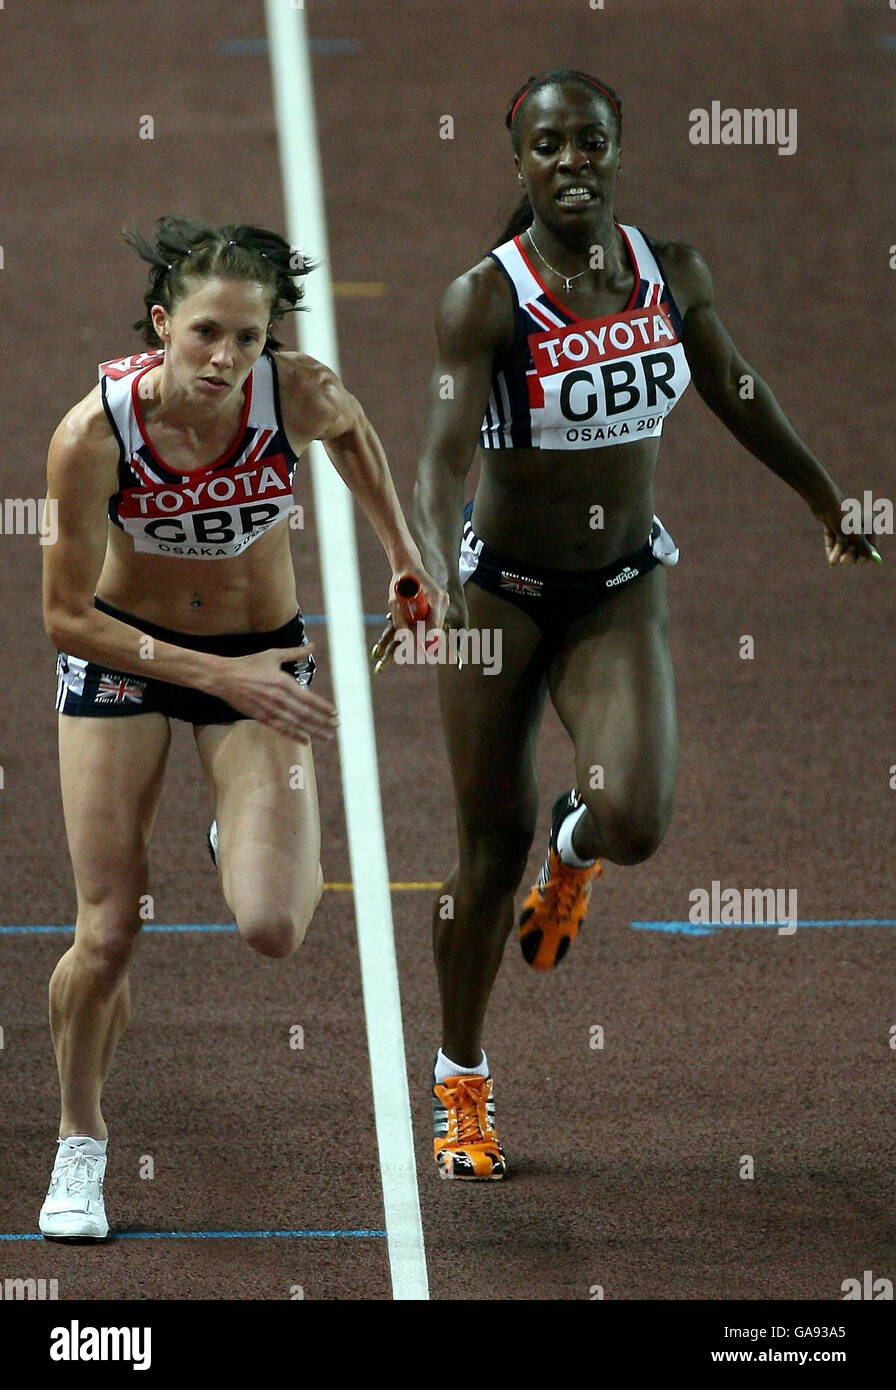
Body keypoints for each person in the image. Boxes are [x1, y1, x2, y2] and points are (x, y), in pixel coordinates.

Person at [392, 68, 880, 1180]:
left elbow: (735, 387)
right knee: (481, 850)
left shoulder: (671, 273)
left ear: (618, 150)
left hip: (615, 587)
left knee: (639, 818)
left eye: (592, 142)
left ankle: (579, 847)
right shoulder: (487, 297)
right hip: (499, 599)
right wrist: (419, 566)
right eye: (549, 145)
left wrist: (822, 499)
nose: (572, 161)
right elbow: (437, 456)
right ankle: (460, 1079)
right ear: (518, 162)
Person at [39, 215, 445, 1238]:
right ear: (160, 322)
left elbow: (352, 433)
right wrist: (227, 678)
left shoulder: (293, 393)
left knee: (273, 923)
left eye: (248, 338)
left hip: (259, 653)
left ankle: (242, 825)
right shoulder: (93, 434)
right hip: (129, 658)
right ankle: (80, 1142)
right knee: (109, 927)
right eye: (206, 333)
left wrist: (405, 549)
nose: (225, 359)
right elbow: (65, 615)